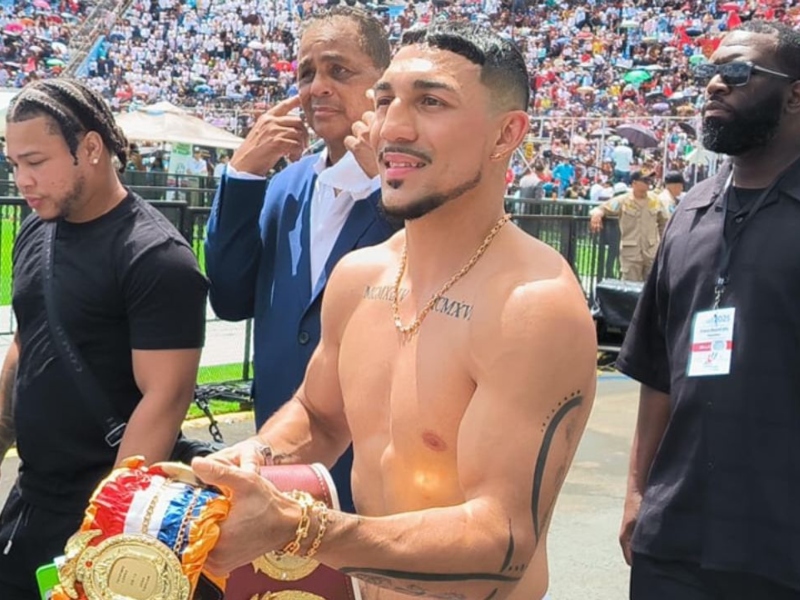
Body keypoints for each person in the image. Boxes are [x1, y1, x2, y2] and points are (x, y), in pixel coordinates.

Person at [194, 23, 597, 600]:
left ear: (506, 133)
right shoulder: (361, 277)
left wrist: (299, 529)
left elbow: (502, 538)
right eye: (385, 101)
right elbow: (321, 416)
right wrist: (243, 464)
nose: (393, 127)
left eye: (430, 102)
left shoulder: (531, 305)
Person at [0, 78, 208, 599]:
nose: (23, 180)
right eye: (13, 165)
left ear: (90, 148)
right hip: (31, 500)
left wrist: (104, 538)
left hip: (108, 513)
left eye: (35, 162)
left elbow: (166, 398)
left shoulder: (157, 256)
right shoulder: (35, 230)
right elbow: (25, 346)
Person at [617, 21, 800, 599]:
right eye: (708, 73)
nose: (714, 85)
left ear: (796, 94)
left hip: (783, 544)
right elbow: (656, 372)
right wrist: (637, 493)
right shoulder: (691, 209)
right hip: (675, 538)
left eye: (738, 73)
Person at [204, 6, 397, 513]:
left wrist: (388, 186)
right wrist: (242, 177)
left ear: (384, 83)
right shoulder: (285, 186)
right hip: (282, 465)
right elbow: (228, 296)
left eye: (338, 70)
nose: (317, 87)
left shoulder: (416, 188)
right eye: (306, 73)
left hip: (380, 473)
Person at [589, 170, 669, 282]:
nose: (648, 182)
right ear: (634, 183)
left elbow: (664, 222)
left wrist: (663, 244)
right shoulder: (624, 201)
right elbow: (601, 208)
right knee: (630, 288)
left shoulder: (655, 200)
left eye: (650, 180)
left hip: (651, 252)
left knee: (652, 289)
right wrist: (597, 214)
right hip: (631, 254)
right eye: (645, 180)